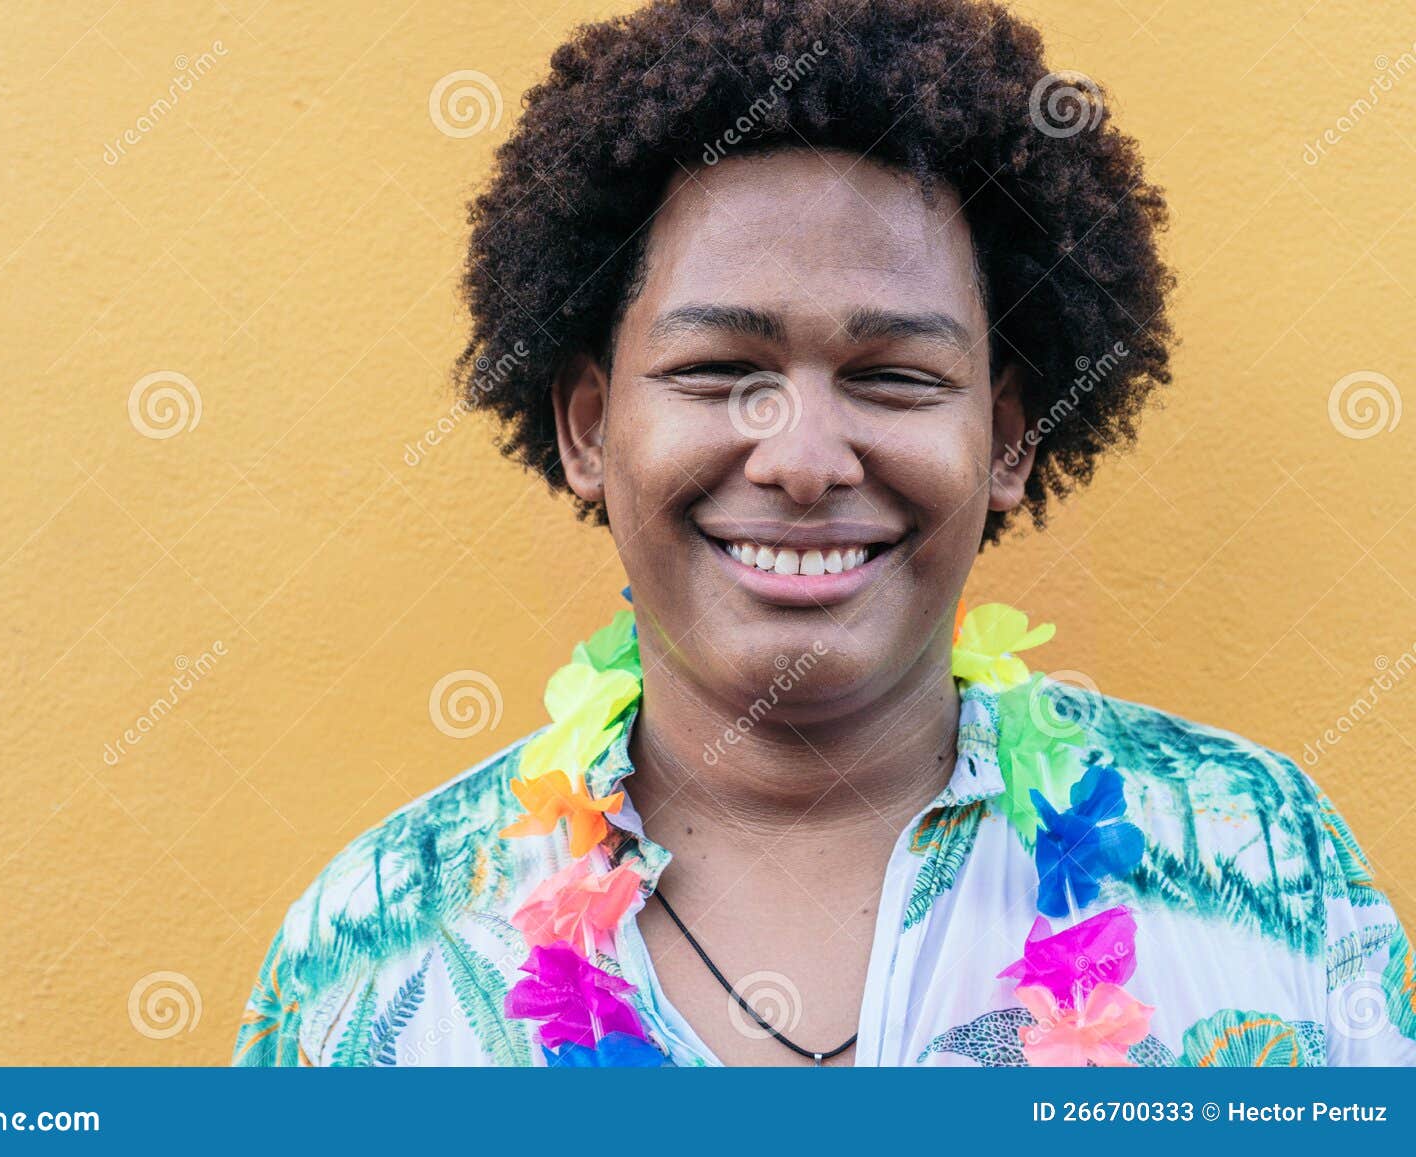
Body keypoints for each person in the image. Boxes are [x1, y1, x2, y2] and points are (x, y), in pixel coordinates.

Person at [233, 0, 1415, 1067]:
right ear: (589, 426)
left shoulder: (1263, 863)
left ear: (1007, 440)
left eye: (893, 375)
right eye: (717, 369)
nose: (802, 460)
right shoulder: (372, 954)